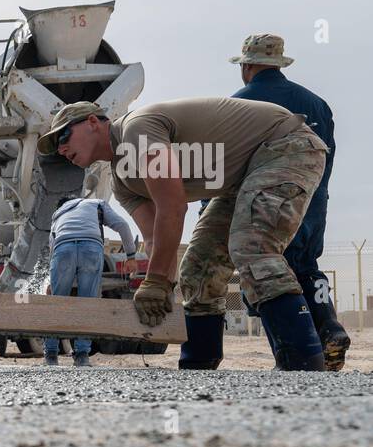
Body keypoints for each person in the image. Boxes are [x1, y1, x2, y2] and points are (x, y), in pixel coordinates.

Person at [41, 98, 329, 371]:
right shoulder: (123, 181)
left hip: (284, 147)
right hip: (241, 178)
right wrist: (161, 284)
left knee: (252, 248)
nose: (62, 149)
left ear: (93, 122)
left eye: (64, 137)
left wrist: (156, 281)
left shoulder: (136, 129)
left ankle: (302, 364)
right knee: (197, 269)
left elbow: (172, 206)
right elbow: (155, 237)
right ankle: (197, 367)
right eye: (57, 147)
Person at [229, 33, 348, 370]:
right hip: (314, 197)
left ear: (247, 66)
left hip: (268, 203)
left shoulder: (240, 102)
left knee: (265, 269)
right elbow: (328, 155)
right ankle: (330, 327)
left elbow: (232, 163)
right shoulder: (316, 103)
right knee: (307, 265)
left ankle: (293, 350)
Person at [40, 194, 136, 367]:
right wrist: (130, 256)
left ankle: (51, 356)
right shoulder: (96, 203)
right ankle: (82, 355)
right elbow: (122, 225)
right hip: (91, 248)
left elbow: (52, 249)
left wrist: (51, 283)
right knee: (87, 303)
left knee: (56, 303)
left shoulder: (58, 214)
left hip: (63, 249)